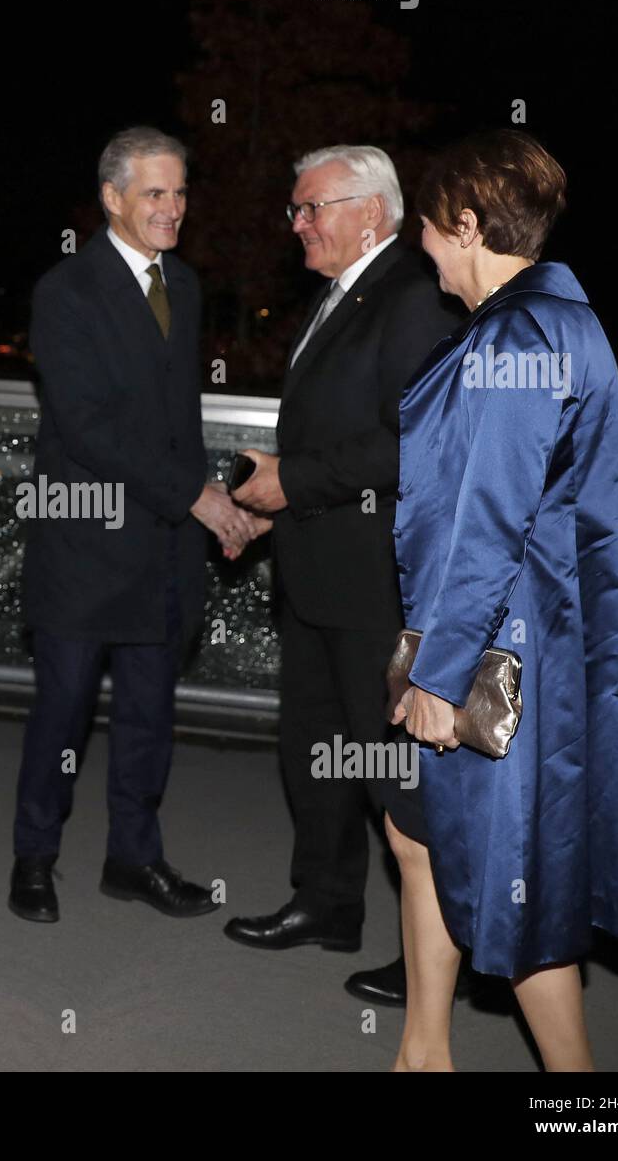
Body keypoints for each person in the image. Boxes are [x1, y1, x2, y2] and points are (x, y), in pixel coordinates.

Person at [389, 129, 618, 1070]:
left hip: (501, 649)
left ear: (466, 225)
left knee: (518, 883)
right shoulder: (571, 322)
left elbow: (486, 521)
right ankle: (424, 1051)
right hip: (548, 636)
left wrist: (440, 671)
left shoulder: (515, 335)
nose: (421, 252)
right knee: (413, 824)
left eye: (426, 228)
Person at [10, 126, 263, 923]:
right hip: (86, 546)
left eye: (181, 192)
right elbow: (85, 427)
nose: (173, 207)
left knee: (152, 716)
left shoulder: (183, 286)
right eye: (155, 192)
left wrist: (221, 505)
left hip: (164, 546)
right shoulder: (66, 291)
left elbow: (173, 422)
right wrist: (195, 496)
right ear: (112, 199)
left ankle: (134, 859)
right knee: (65, 714)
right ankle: (34, 859)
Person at [226, 145, 459, 1006]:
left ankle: (429, 951)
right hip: (320, 572)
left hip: (377, 582)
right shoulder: (342, 294)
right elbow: (344, 433)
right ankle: (325, 904)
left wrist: (296, 480)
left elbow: (418, 443)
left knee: (397, 769)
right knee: (317, 751)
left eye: (310, 208)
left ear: (372, 210)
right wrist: (271, 483)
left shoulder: (411, 297)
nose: (297, 224)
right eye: (296, 209)